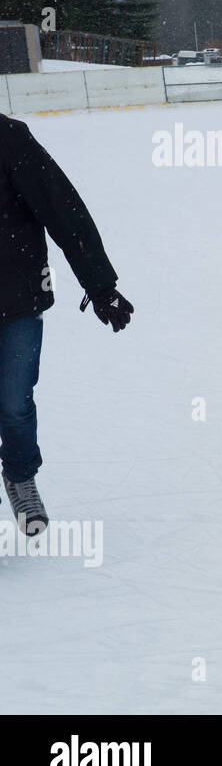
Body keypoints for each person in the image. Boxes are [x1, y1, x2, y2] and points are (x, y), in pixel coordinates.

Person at [1, 114, 133, 537]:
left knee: (14, 404)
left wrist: (100, 285)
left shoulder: (8, 138)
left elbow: (63, 210)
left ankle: (20, 476)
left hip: (15, 300)